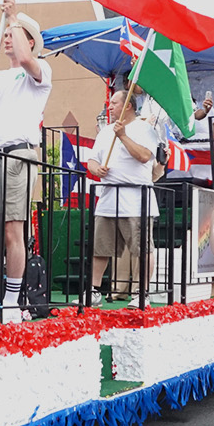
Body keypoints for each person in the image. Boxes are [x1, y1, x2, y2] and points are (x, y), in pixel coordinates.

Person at [0, 0, 52, 323]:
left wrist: (14, 16)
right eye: (5, 33)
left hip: (20, 155)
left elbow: (26, 57)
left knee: (12, 231)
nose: (7, 38)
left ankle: (10, 300)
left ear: (29, 40)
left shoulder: (40, 70)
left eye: (13, 34)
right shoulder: (0, 78)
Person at [86, 90, 159, 303]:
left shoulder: (145, 129)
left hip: (136, 198)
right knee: (101, 247)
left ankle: (141, 294)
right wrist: (96, 169)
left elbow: (145, 156)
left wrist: (123, 136)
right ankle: (94, 290)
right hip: (109, 197)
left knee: (142, 248)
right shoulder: (105, 131)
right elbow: (92, 159)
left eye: (114, 103)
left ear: (127, 105)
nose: (109, 106)